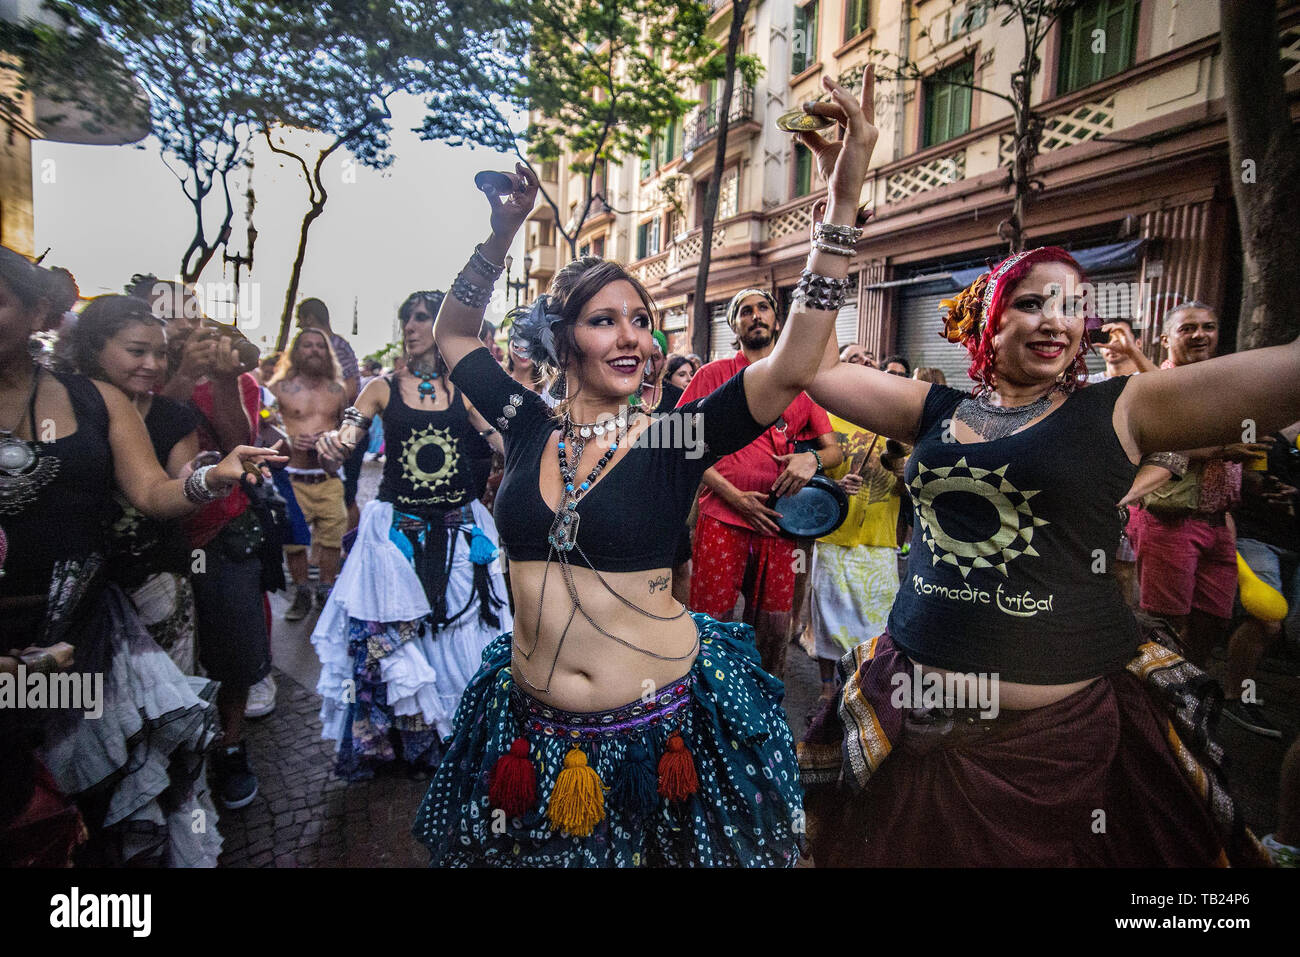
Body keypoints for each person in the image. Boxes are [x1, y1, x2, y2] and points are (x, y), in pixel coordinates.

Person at [410, 67, 878, 867]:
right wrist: (500, 235)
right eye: (605, 320)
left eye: (642, 321)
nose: (633, 337)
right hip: (528, 728)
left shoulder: (677, 436)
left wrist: (839, 202)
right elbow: (456, 336)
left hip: (656, 732)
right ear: (563, 342)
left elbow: (797, 356)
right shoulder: (526, 424)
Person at [798, 244, 1290, 866]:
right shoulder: (931, 412)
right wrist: (837, 221)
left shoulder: (1123, 408)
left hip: (1065, 756)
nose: (1056, 320)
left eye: (1073, 307)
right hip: (913, 732)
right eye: (1032, 304)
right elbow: (810, 365)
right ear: (989, 324)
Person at [0, 249, 283, 864]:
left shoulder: (93, 401)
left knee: (99, 769)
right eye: (139, 349)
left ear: (36, 313)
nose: (153, 361)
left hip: (90, 623)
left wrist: (213, 476)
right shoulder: (108, 391)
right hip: (23, 638)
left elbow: (156, 490)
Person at [312, 290, 510, 780]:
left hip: (461, 527)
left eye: (422, 318)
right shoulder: (380, 388)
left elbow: (502, 441)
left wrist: (550, 447)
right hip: (395, 531)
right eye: (407, 318)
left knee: (460, 629)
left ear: (441, 329)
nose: (411, 326)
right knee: (401, 638)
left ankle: (457, 732)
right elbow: (348, 435)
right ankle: (411, 743)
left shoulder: (464, 393)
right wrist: (331, 449)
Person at [128, 274, 279, 807]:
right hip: (151, 541)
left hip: (221, 532)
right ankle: (161, 761)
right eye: (169, 313)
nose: (185, 322)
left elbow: (243, 444)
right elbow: (141, 440)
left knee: (233, 652)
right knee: (160, 662)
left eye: (190, 311)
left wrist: (219, 379)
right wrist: (180, 373)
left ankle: (230, 747)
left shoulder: (231, 376)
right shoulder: (131, 375)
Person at [678, 287, 842, 679]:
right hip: (721, 515)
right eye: (745, 310)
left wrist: (811, 458)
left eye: (763, 307)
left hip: (781, 523)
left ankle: (763, 700)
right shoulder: (712, 375)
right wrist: (735, 496)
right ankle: (705, 699)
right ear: (733, 325)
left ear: (777, 320)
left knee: (772, 626)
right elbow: (680, 442)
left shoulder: (798, 381)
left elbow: (834, 453)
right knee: (709, 619)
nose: (756, 315)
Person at [66, 295, 203, 675]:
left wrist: (203, 480)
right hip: (77, 590)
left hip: (154, 575)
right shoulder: (58, 409)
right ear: (95, 346)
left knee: (165, 692)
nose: (152, 365)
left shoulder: (172, 416)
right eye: (137, 351)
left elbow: (174, 490)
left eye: (160, 354)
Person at [1134, 303, 1260, 666]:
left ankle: (1193, 694)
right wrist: (1223, 448)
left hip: (1219, 522)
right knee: (1166, 624)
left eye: (1209, 326)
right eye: (1187, 328)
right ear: (1165, 339)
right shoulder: (1153, 386)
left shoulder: (1222, 385)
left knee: (1213, 620)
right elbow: (1155, 442)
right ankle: (1157, 704)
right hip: (1170, 522)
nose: (1200, 335)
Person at [806, 412, 904, 707]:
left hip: (880, 539)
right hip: (834, 535)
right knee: (827, 617)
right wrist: (835, 486)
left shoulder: (899, 426)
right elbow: (807, 474)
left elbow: (908, 489)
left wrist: (902, 470)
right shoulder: (826, 421)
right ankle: (827, 689)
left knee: (877, 624)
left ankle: (863, 690)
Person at [269, 329, 349, 620]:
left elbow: (347, 431)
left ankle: (325, 590)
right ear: (296, 351)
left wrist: (331, 441)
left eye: (320, 346)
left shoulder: (337, 390)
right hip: (292, 478)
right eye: (307, 346)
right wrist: (290, 441)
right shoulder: (279, 388)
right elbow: (264, 430)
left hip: (327, 478)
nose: (314, 351)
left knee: (331, 538)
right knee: (293, 540)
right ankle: (302, 592)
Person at [296, 297, 363, 529]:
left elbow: (352, 388)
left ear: (310, 318)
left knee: (345, 493)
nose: (298, 325)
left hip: (344, 430)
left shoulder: (337, 346)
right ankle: (324, 551)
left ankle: (350, 549)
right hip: (320, 431)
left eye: (300, 320)